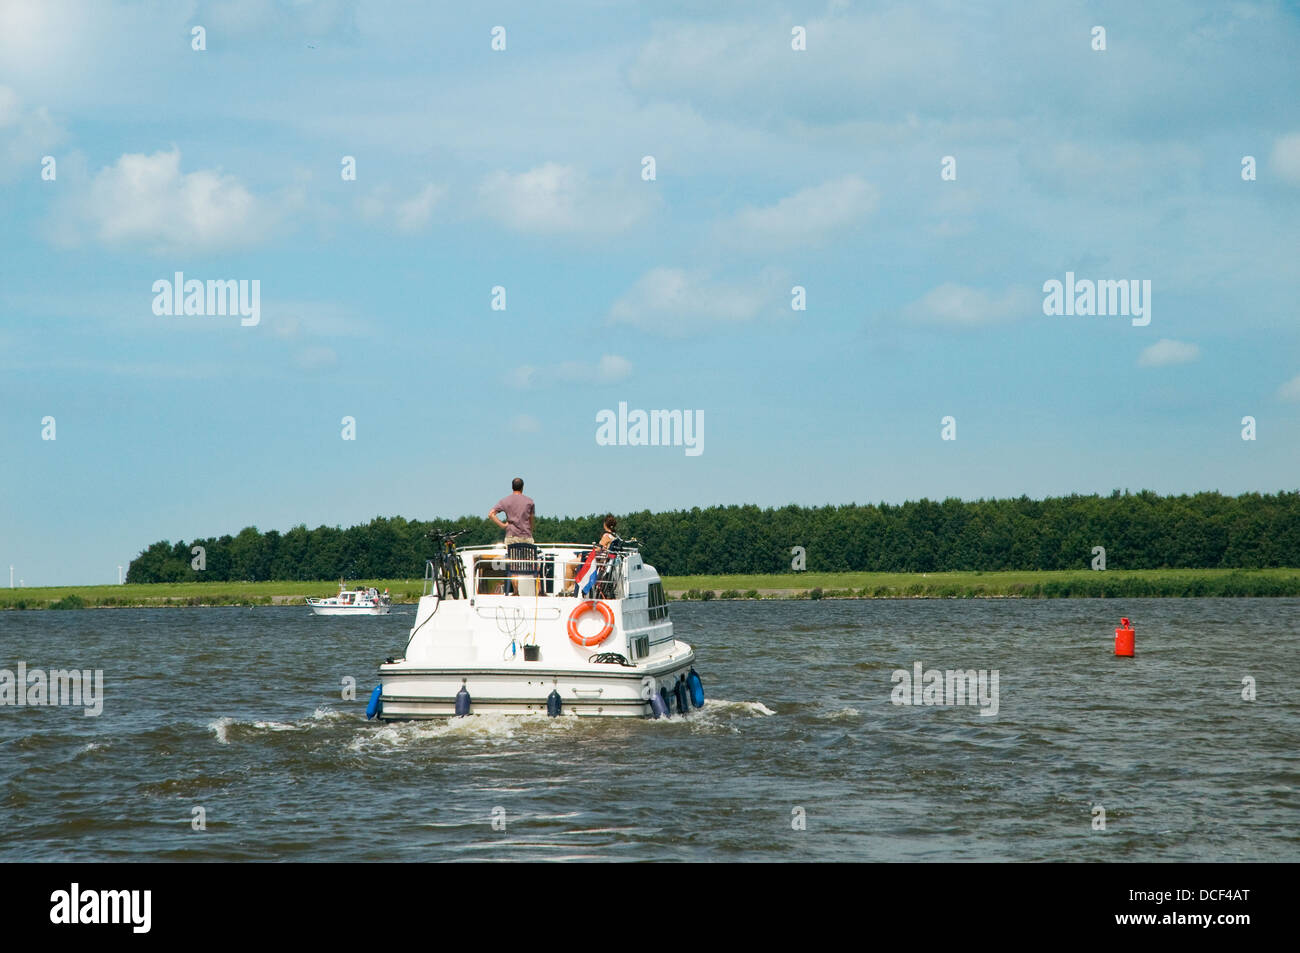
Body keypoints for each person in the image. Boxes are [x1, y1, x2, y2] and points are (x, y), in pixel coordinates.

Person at [488, 477, 535, 544]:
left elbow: (491, 514)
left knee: (512, 554)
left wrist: (503, 526)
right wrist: (530, 532)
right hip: (526, 537)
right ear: (522, 487)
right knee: (527, 554)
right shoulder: (530, 502)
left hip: (511, 537)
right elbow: (531, 521)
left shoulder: (505, 501)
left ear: (512, 487)